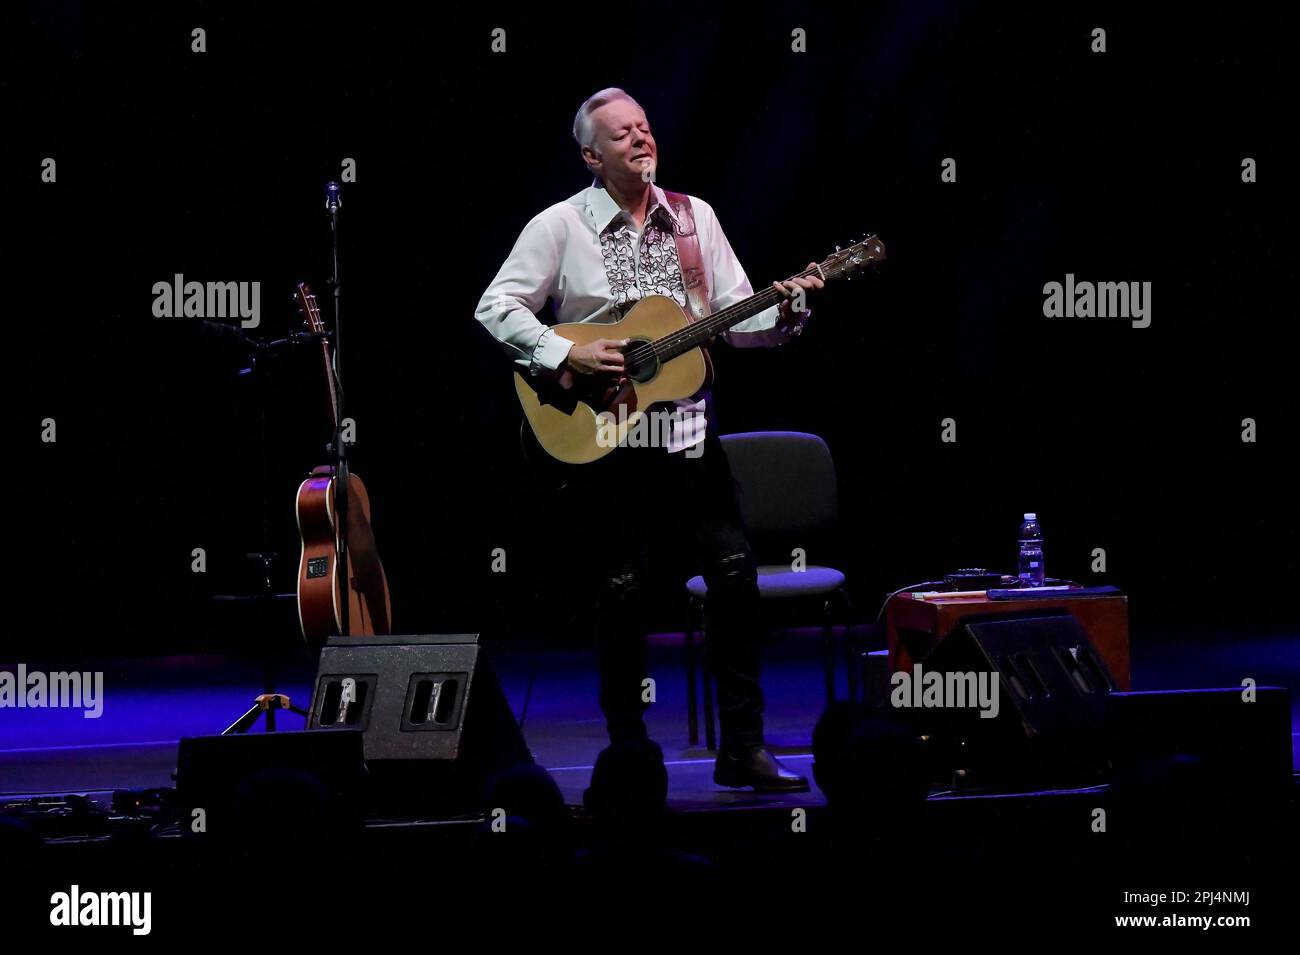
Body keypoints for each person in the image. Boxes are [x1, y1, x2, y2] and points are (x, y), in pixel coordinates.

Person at [476, 87, 823, 791]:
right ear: (591, 157)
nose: (640, 139)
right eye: (621, 134)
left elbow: (736, 318)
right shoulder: (559, 225)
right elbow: (496, 305)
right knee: (623, 591)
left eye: (644, 127)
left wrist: (786, 316)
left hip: (689, 434)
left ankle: (743, 746)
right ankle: (629, 757)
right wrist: (565, 352)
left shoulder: (695, 219)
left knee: (735, 575)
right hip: (608, 441)